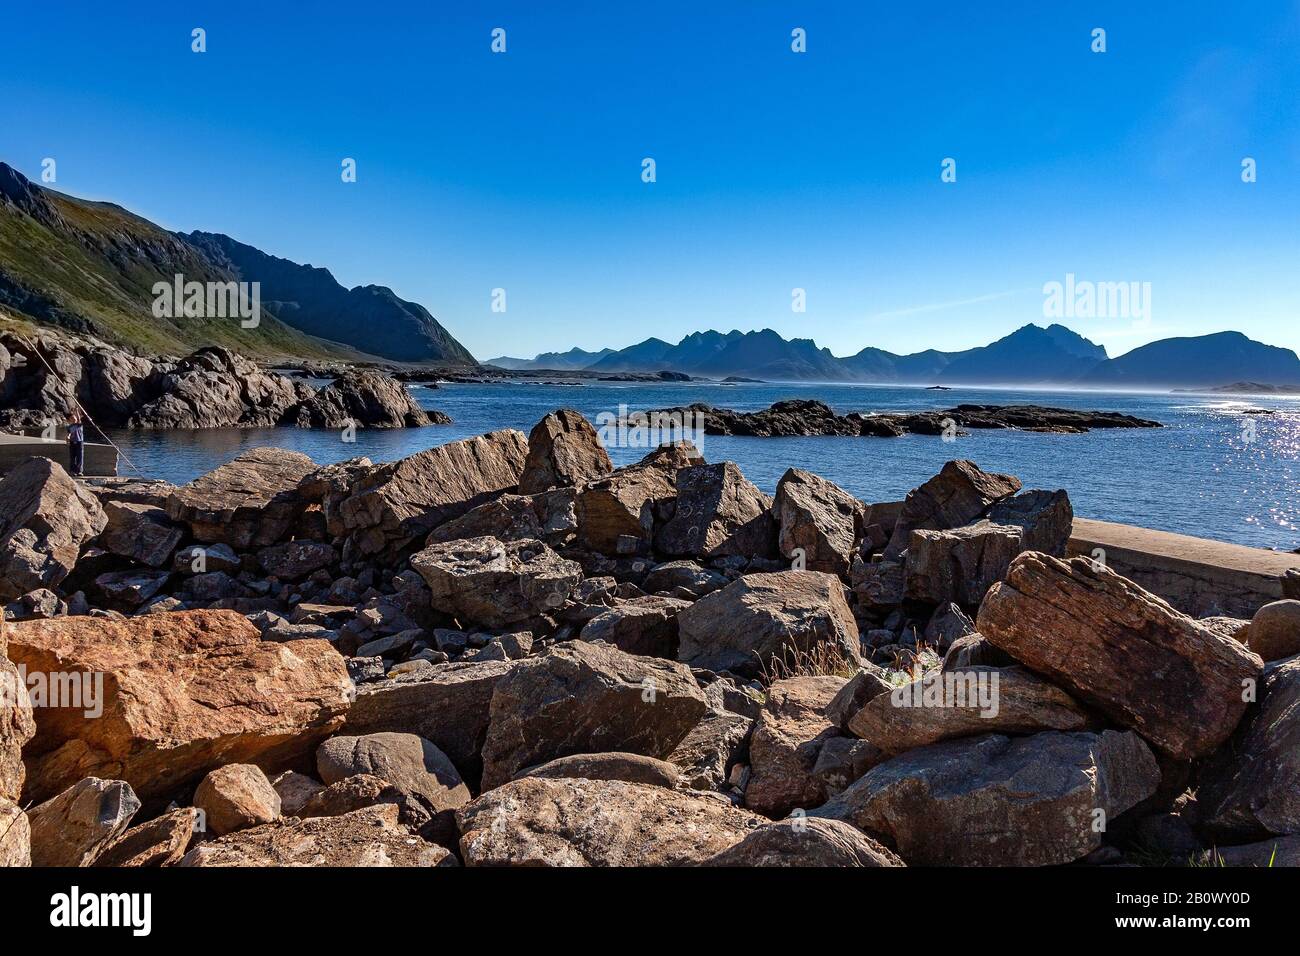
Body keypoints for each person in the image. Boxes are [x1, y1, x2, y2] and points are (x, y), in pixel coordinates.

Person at [66, 410, 85, 477]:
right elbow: (69, 434)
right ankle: (72, 471)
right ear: (69, 420)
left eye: (74, 418)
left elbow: (79, 418)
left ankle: (79, 471)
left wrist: (77, 411)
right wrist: (67, 439)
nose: (74, 419)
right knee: (72, 458)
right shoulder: (69, 427)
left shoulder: (79, 424)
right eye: (72, 418)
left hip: (79, 442)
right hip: (72, 443)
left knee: (80, 457)